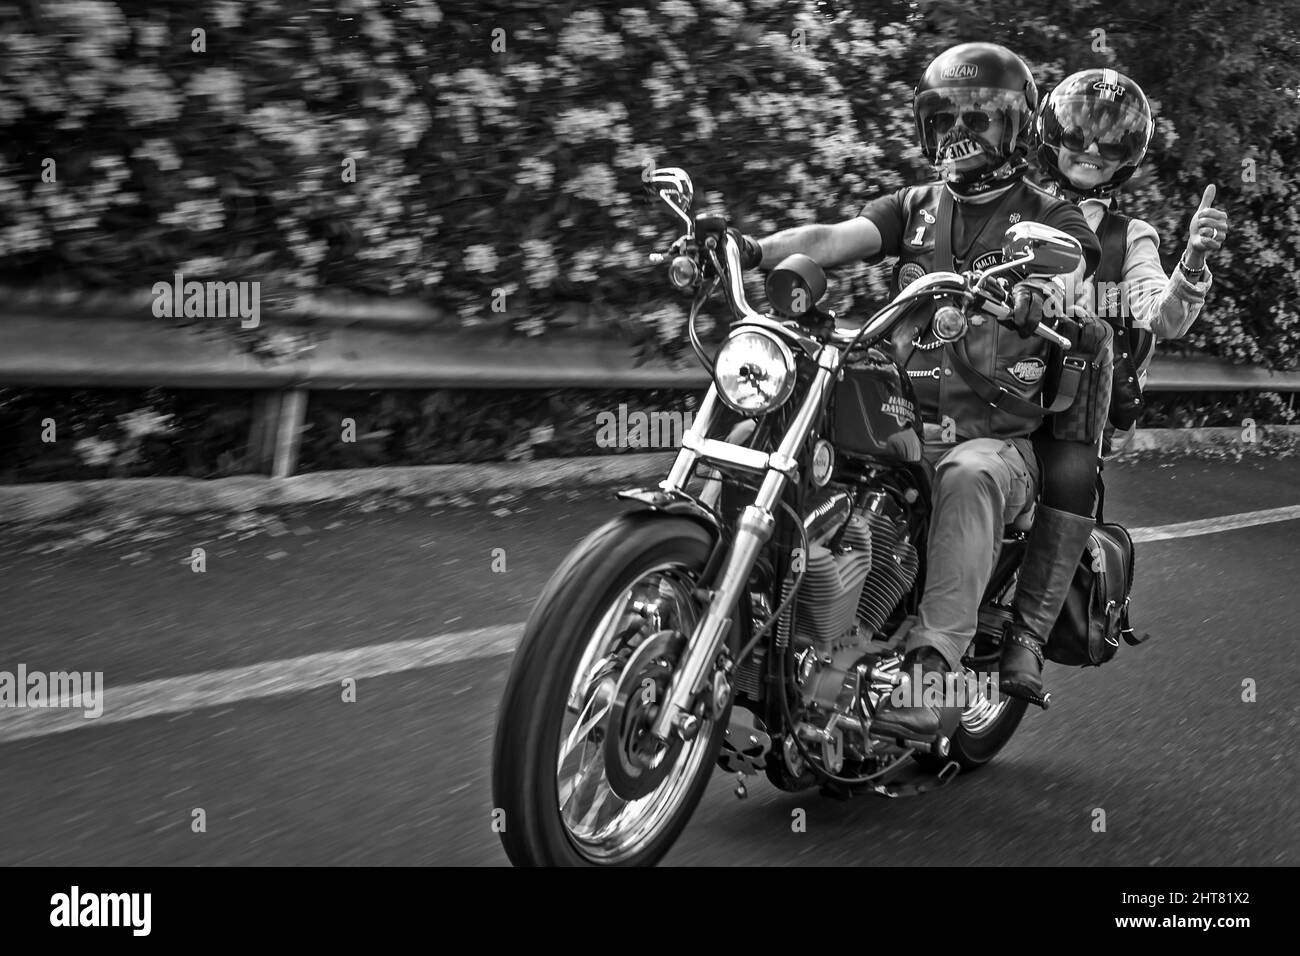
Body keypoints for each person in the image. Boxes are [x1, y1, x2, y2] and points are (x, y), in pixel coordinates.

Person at [713, 42, 1111, 740]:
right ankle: (715, 611)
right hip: (903, 418)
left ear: (1015, 127)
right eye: (939, 118)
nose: (953, 135)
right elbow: (834, 236)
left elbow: (1072, 265)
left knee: (968, 474)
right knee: (759, 438)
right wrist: (748, 250)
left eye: (975, 120)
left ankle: (931, 672)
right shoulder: (914, 206)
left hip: (997, 442)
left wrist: (1032, 295)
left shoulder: (1050, 213)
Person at [997, 68, 1229, 703]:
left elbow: (1161, 313)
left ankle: (1026, 638)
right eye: (1079, 133)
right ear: (1051, 132)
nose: (1091, 150)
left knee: (1069, 471)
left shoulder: (1131, 236)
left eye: (1110, 142)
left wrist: (1194, 265)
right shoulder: (1007, 203)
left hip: (1069, 400)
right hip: (982, 380)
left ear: (1129, 156)